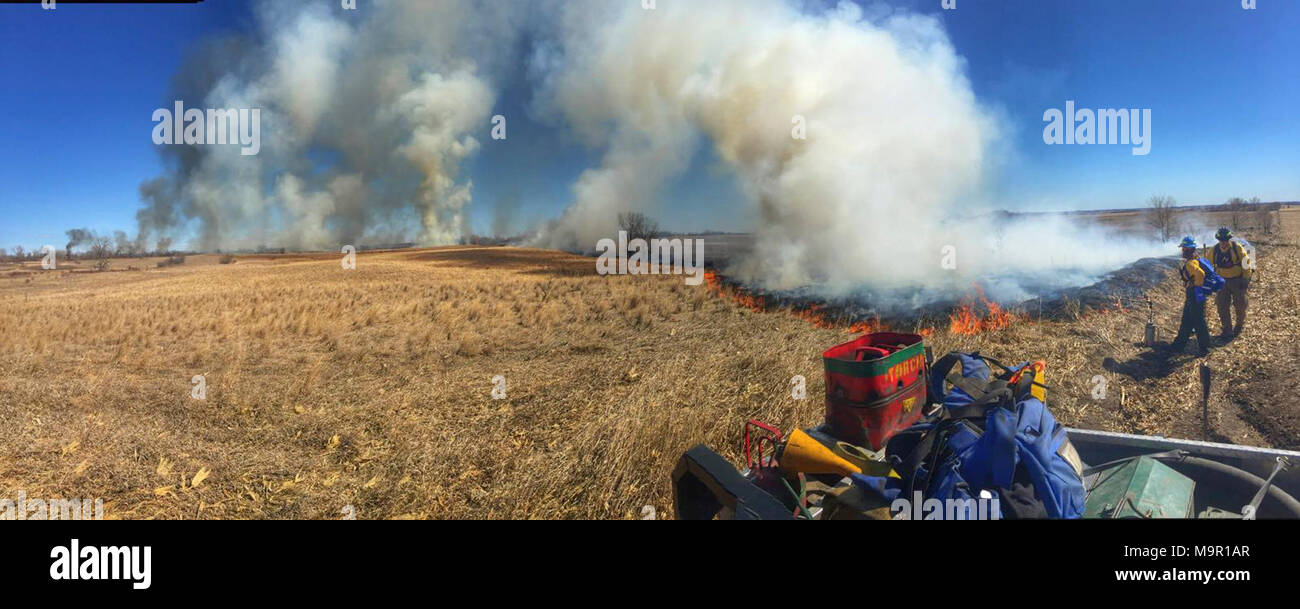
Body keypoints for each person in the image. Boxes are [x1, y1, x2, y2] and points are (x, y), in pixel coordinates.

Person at [1166, 237, 1219, 357]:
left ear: (1188, 249)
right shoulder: (1197, 259)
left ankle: (1205, 348)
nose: (1182, 250)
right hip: (1196, 293)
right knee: (1187, 320)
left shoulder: (1191, 263)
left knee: (1199, 321)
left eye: (1184, 248)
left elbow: (1200, 274)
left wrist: (1196, 286)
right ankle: (1178, 346)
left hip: (1195, 293)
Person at [1210, 227, 1251, 340]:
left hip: (1237, 281)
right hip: (1221, 282)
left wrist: (1245, 278)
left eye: (1225, 239)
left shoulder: (1237, 248)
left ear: (1229, 238)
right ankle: (1227, 330)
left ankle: (1239, 324)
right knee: (1222, 306)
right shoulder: (1214, 250)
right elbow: (1208, 265)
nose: (1223, 242)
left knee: (1240, 304)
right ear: (1218, 239)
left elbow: (1246, 262)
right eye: (1221, 239)